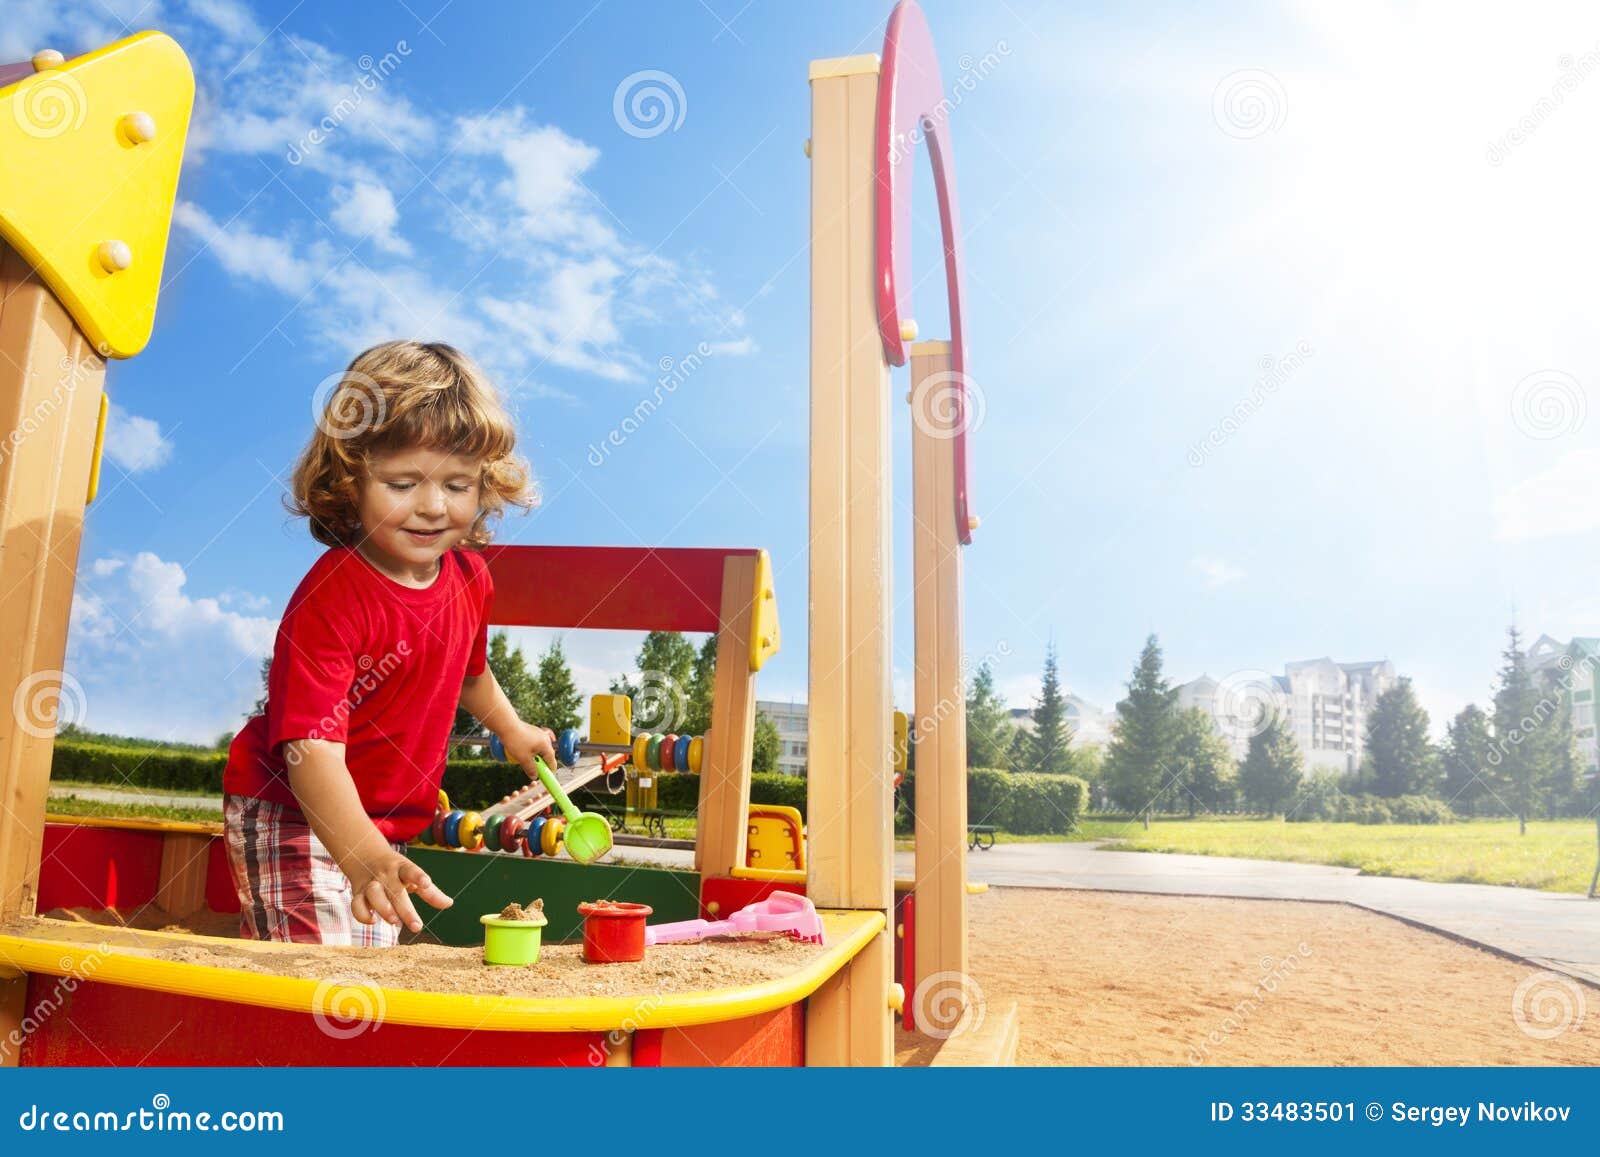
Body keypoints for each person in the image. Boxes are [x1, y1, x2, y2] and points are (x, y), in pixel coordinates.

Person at [222, 340, 555, 946]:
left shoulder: (469, 578)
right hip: (294, 814)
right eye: (403, 482)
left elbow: (471, 673)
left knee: (368, 985)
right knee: (316, 975)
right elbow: (310, 751)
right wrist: (361, 854)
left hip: (385, 826)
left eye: (458, 485)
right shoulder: (335, 595)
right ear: (349, 479)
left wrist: (512, 729)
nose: (432, 507)